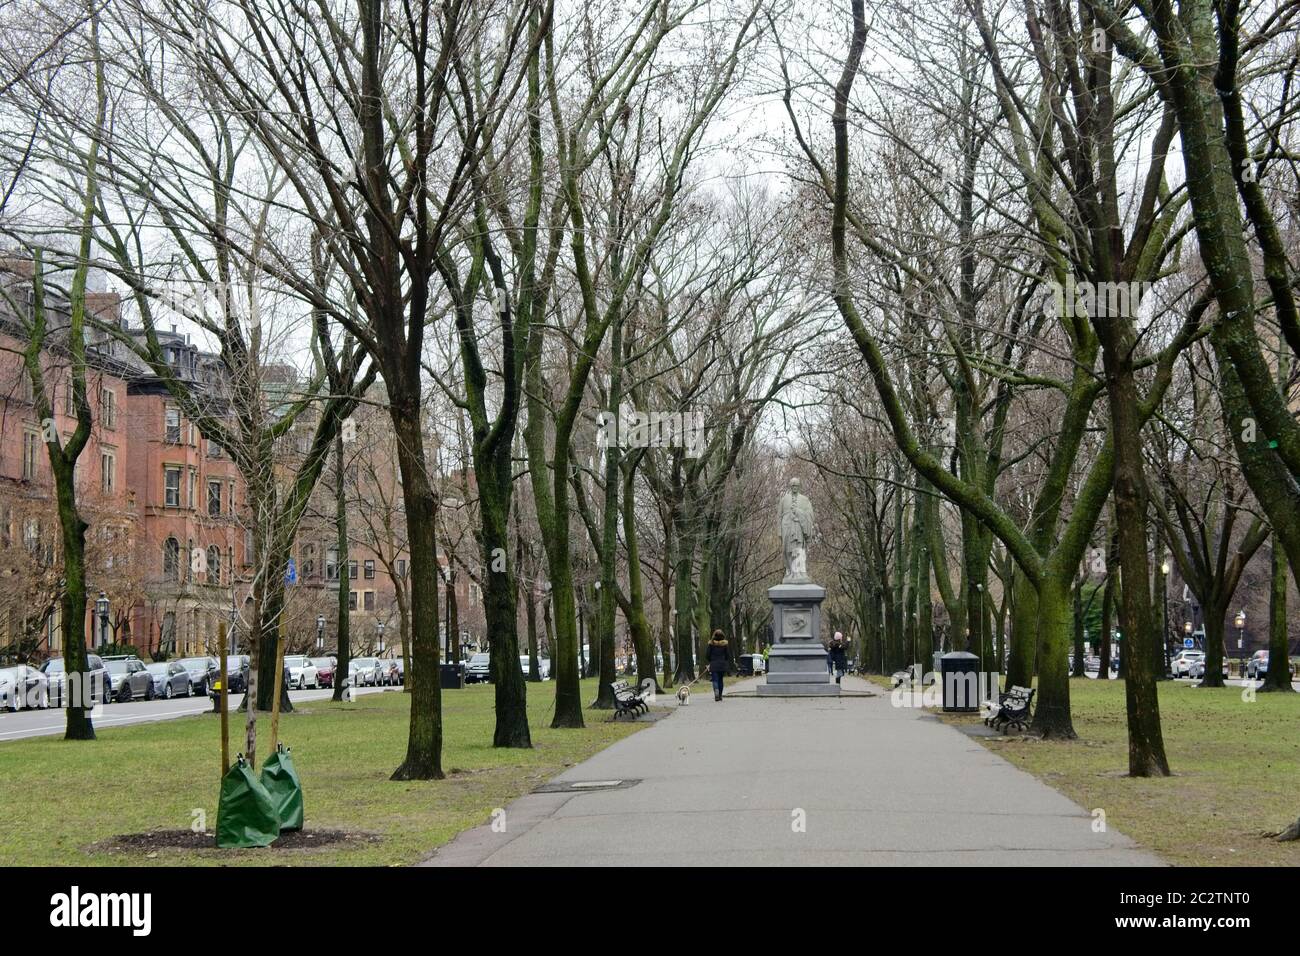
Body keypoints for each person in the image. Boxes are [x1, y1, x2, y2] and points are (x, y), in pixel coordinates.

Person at [706, 628, 730, 701]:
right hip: (722, 664)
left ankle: (716, 691)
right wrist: (724, 660)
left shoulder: (711, 644)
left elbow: (707, 655)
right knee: (720, 680)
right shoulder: (725, 645)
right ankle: (720, 695)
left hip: (714, 664)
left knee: (715, 680)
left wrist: (710, 660)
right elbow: (727, 655)